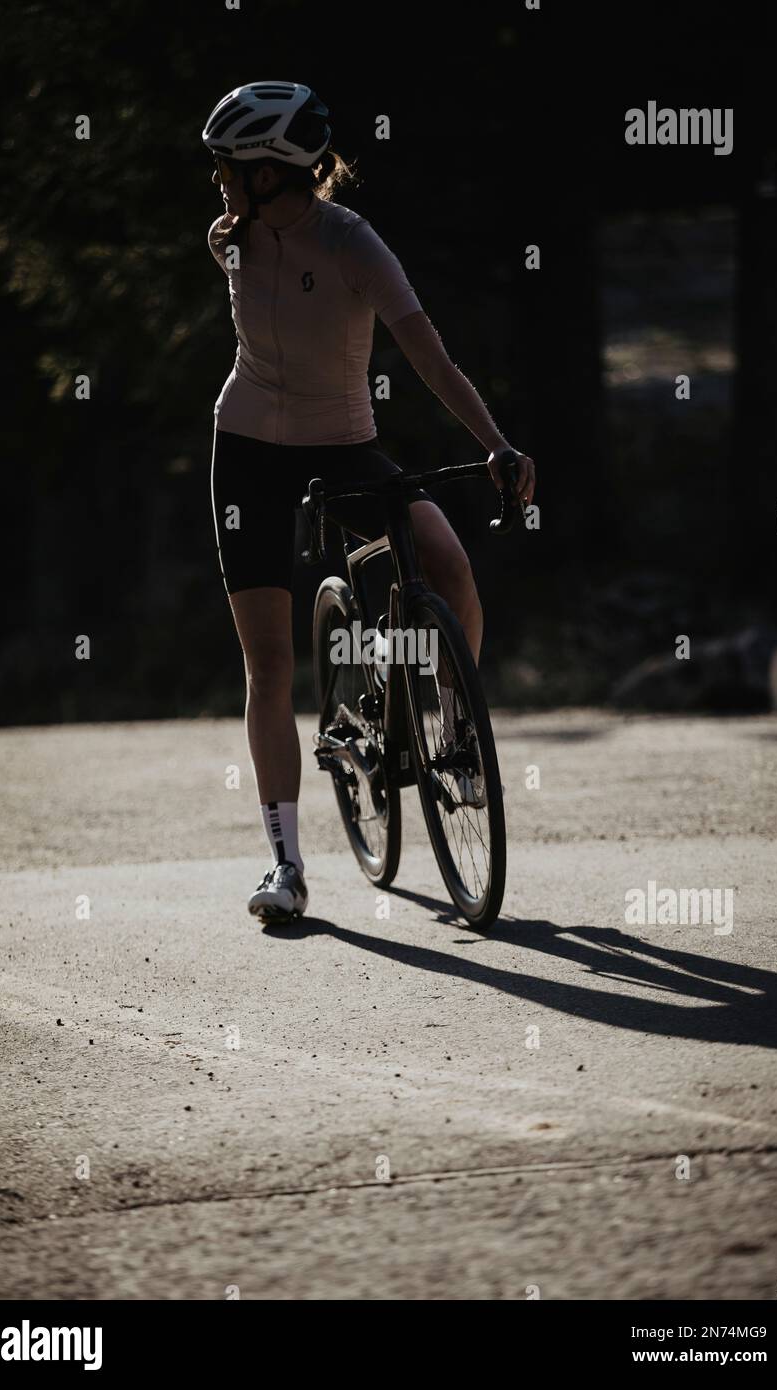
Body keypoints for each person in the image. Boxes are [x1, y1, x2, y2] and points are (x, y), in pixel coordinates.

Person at [202, 80, 535, 923]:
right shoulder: (232, 237)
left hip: (343, 447)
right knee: (270, 662)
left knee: (452, 573)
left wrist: (494, 443)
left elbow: (429, 357)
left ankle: (454, 738)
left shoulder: (352, 242)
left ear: (275, 173)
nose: (219, 182)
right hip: (244, 453)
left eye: (230, 168)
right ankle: (285, 865)